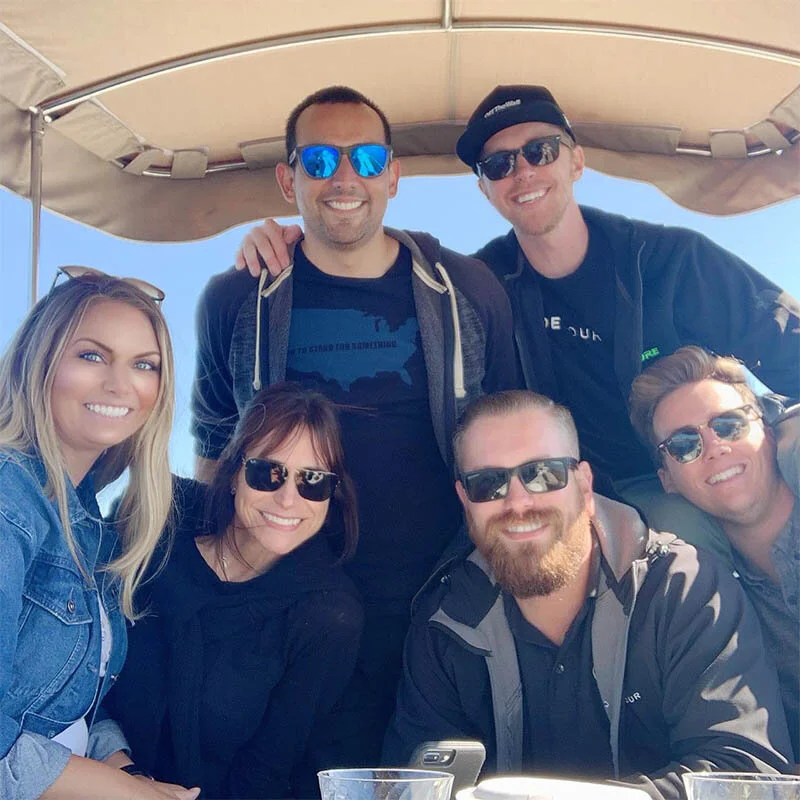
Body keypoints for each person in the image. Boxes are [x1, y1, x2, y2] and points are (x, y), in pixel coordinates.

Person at [235, 85, 800, 565]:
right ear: (485, 187)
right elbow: (379, 269)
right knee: (681, 535)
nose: (522, 171)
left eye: (540, 151)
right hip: (595, 490)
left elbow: (780, 336)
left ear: (575, 161)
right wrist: (288, 241)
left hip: (713, 450)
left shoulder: (669, 261)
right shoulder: (479, 286)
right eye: (499, 164)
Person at [192, 85, 518, 767]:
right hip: (296, 603)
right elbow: (214, 451)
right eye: (319, 159)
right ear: (289, 180)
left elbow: (512, 427)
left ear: (392, 176)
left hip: (442, 596)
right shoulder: (237, 299)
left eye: (366, 159)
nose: (344, 177)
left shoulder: (467, 289)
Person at [383, 390, 794, 800]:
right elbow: (411, 788)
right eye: (488, 483)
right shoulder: (445, 624)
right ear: (465, 500)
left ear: (584, 484)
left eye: (543, 474)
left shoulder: (685, 589)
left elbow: (743, 776)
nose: (518, 502)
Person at [106, 383, 363, 798]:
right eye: (267, 473)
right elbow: (84, 681)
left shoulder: (328, 616)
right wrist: (124, 775)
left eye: (312, 481)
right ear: (232, 476)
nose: (288, 499)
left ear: (332, 496)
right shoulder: (153, 538)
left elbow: (266, 773)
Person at [0, 268, 198, 799]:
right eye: (91, 355)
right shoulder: (8, 499)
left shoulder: (87, 517)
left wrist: (125, 771)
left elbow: (73, 698)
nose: (119, 384)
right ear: (40, 361)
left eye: (144, 364)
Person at [629, 346, 800, 761]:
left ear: (768, 430)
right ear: (667, 479)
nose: (714, 447)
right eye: (684, 444)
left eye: (729, 424)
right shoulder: (702, 604)